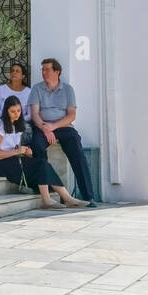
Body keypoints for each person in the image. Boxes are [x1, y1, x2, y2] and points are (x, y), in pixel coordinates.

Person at [0, 96, 86, 209]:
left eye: (19, 111)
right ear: (6, 111)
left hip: (12, 160)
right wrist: (16, 152)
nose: (16, 114)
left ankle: (66, 198)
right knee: (40, 165)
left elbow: (14, 148)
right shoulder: (0, 126)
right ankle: (53, 199)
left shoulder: (16, 125)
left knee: (42, 163)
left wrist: (25, 152)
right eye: (13, 111)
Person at [28, 58, 96, 205]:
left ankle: (87, 196)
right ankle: (44, 191)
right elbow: (34, 114)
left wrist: (53, 127)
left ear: (57, 72)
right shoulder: (37, 89)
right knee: (37, 146)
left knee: (76, 147)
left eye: (47, 69)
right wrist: (45, 128)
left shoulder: (68, 90)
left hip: (62, 127)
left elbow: (72, 115)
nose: (43, 72)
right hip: (42, 126)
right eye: (42, 70)